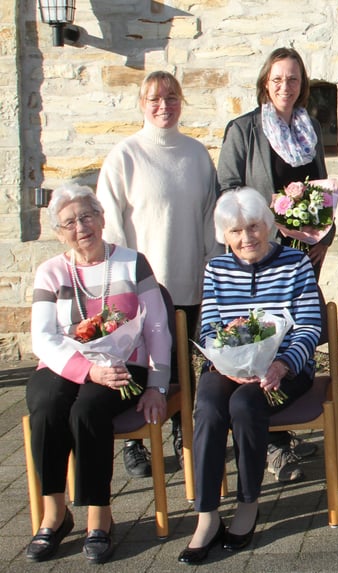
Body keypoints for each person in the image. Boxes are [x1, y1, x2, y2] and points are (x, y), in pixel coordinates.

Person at [26, 184, 170, 564]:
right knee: (46, 406)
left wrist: (157, 386)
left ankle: (99, 516)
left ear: (102, 219)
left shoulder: (132, 262)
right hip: (64, 364)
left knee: (87, 410)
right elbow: (43, 338)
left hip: (125, 364)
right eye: (69, 223)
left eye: (87, 216)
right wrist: (88, 370)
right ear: (59, 233)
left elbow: (157, 328)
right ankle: (55, 515)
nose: (81, 227)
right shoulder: (51, 272)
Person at [178, 188, 321, 564]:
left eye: (254, 227)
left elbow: (309, 326)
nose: (247, 238)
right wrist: (229, 362)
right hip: (228, 366)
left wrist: (281, 364)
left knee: (244, 405)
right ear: (224, 235)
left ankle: (247, 504)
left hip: (286, 368)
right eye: (236, 231)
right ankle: (207, 516)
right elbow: (209, 328)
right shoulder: (217, 268)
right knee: (209, 407)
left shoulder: (295, 263)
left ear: (268, 225)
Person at [96, 70, 218, 480]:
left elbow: (209, 217)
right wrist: (124, 281)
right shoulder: (125, 156)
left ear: (181, 102)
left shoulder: (196, 155)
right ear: (141, 104)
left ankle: (185, 433)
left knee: (181, 363)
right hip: (139, 286)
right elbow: (111, 226)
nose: (164, 105)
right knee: (139, 363)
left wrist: (211, 266)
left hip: (186, 279)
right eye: (154, 99)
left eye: (171, 97)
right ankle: (136, 442)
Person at [217, 47, 328, 479]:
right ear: (266, 82)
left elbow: (322, 191)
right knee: (262, 338)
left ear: (303, 85)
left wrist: (324, 238)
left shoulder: (308, 128)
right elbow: (228, 190)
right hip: (260, 255)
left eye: (294, 79)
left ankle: (282, 428)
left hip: (302, 254)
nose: (286, 86)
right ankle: (273, 445)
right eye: (278, 78)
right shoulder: (244, 129)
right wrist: (265, 226)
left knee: (294, 335)